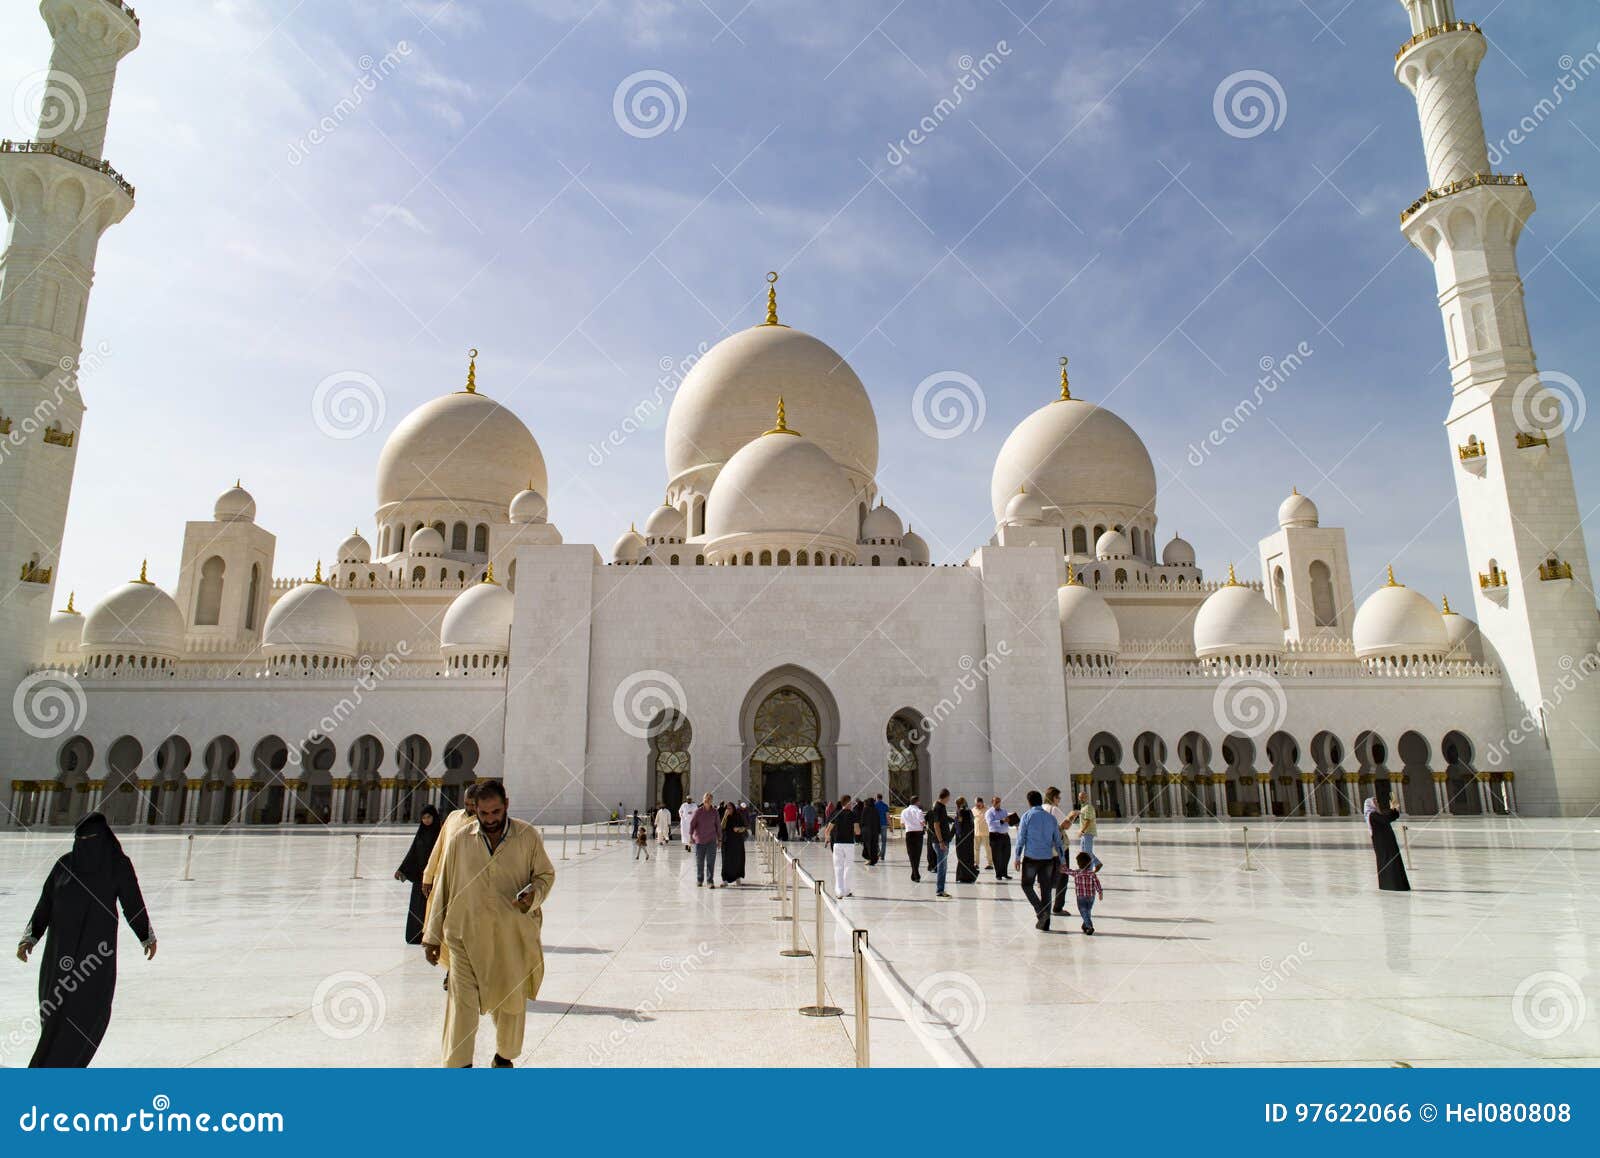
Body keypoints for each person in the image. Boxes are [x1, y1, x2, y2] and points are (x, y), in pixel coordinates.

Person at [423, 780, 555, 1068]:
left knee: (510, 1006)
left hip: (511, 937)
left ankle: (503, 1057)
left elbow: (545, 876)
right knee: (463, 1007)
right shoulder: (460, 839)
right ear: (476, 811)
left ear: (506, 804)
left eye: (496, 812)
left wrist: (533, 896)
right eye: (484, 814)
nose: (491, 819)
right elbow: (443, 886)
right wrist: (432, 934)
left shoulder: (527, 836)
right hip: (464, 937)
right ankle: (459, 1065)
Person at [17, 813, 155, 1068]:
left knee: (84, 1014)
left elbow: (132, 902)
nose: (85, 843)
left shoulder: (117, 865)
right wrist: (31, 936)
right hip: (60, 957)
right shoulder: (64, 865)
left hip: (94, 960)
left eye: (90, 838)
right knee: (55, 1012)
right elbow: (45, 904)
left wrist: (144, 934)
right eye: (80, 838)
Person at [1013, 790, 1065, 931]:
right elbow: (1058, 841)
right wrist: (1062, 860)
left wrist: (1017, 857)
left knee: (1026, 885)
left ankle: (1041, 912)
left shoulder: (1027, 816)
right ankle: (1045, 921)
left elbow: (1021, 839)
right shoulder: (1050, 818)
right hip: (1047, 859)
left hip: (1031, 858)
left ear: (1029, 802)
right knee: (1046, 889)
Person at [395, 804, 443, 944]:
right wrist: (402, 869)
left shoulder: (440, 833)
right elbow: (413, 852)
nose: (426, 820)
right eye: (423, 818)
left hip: (434, 876)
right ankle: (416, 935)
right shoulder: (421, 833)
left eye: (428, 817)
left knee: (432, 906)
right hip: (420, 877)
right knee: (417, 906)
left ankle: (431, 936)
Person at [1366, 794, 1410, 891]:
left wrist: (1394, 809)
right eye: (1375, 802)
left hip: (1386, 843)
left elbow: (1387, 818)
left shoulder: (1376, 814)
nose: (1377, 803)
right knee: (1390, 862)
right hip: (1383, 844)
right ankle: (1391, 885)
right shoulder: (1372, 815)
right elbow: (1386, 819)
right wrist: (1393, 809)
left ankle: (1394, 884)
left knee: (1392, 862)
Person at [1043, 787, 1074, 915]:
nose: (1059, 800)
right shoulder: (1053, 809)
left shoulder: (1041, 808)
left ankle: (1045, 907)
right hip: (1059, 848)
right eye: (1058, 798)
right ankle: (1057, 907)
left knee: (1047, 877)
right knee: (1063, 876)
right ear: (1053, 797)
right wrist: (1072, 816)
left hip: (1045, 848)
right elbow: (1066, 825)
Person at [825, 794, 859, 898]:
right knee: (848, 867)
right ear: (847, 803)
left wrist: (828, 838)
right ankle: (846, 889)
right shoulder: (853, 815)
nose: (852, 804)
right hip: (849, 844)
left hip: (837, 844)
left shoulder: (836, 813)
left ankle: (839, 890)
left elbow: (827, 830)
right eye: (851, 802)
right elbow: (857, 831)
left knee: (838, 867)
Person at [1066, 851, 1103, 934]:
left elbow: (1068, 871)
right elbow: (1097, 883)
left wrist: (1063, 869)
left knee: (1083, 910)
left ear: (1078, 864)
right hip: (1091, 896)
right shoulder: (1092, 874)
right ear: (1090, 863)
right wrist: (1100, 892)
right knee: (1088, 910)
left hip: (1081, 896)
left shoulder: (1076, 873)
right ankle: (1085, 925)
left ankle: (1089, 926)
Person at [1067, 789, 1103, 871]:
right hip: (1085, 833)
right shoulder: (1083, 808)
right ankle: (1097, 863)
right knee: (1085, 851)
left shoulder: (1088, 807)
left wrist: (1082, 831)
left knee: (1087, 852)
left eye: (1083, 797)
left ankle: (1088, 870)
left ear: (1087, 798)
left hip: (1088, 832)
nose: (1081, 799)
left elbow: (1088, 821)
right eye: (1080, 797)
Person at [927, 789, 954, 898]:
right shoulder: (938, 807)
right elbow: (936, 825)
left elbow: (943, 821)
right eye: (949, 797)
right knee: (942, 866)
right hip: (940, 842)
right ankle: (940, 890)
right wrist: (941, 841)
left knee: (943, 866)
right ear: (946, 797)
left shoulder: (941, 807)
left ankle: (941, 889)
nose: (949, 799)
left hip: (943, 841)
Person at [690, 792, 720, 887]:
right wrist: (691, 836)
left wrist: (720, 839)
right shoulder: (698, 812)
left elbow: (718, 826)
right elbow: (692, 824)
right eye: (705, 799)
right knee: (700, 861)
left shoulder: (715, 812)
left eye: (709, 799)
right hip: (700, 840)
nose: (707, 801)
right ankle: (700, 880)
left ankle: (710, 881)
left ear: (711, 801)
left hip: (711, 840)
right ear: (703, 800)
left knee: (711, 861)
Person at [720, 802, 748, 885]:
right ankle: (725, 879)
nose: (728, 810)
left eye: (730, 808)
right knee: (726, 860)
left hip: (737, 842)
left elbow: (745, 827)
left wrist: (739, 829)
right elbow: (722, 827)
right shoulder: (724, 817)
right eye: (727, 808)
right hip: (727, 842)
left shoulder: (738, 816)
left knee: (737, 860)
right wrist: (725, 816)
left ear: (733, 808)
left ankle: (737, 877)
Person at [900, 796, 926, 882]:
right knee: (917, 854)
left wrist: (909, 825)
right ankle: (916, 874)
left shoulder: (904, 811)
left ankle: (914, 873)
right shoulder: (919, 811)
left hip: (909, 833)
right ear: (917, 802)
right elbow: (923, 823)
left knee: (911, 854)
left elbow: (902, 824)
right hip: (918, 834)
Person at [985, 797, 1012, 880]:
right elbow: (990, 823)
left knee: (1006, 854)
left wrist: (1011, 821)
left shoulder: (1004, 811)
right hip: (995, 836)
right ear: (992, 802)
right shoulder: (989, 812)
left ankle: (1005, 873)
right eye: (996, 802)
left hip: (1005, 835)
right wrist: (1002, 821)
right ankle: (998, 874)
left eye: (999, 802)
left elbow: (1007, 821)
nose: (998, 803)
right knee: (997, 856)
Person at [954, 796, 978, 883]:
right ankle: (969, 876)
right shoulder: (969, 812)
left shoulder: (960, 812)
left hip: (961, 839)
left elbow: (957, 826)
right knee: (968, 857)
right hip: (969, 839)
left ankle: (963, 877)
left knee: (962, 858)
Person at [858, 793, 881, 867]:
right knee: (874, 845)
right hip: (875, 831)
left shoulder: (865, 809)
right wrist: (879, 830)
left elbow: (862, 820)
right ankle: (873, 860)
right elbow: (878, 821)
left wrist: (861, 830)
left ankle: (869, 859)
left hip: (867, 831)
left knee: (868, 845)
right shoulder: (875, 810)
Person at [973, 795, 991, 871]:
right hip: (976, 833)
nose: (977, 806)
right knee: (976, 849)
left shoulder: (987, 810)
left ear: (982, 803)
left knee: (988, 849)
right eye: (976, 804)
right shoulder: (973, 810)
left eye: (979, 804)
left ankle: (990, 864)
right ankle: (976, 864)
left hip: (986, 833)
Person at [874, 794, 890, 862]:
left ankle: (878, 852)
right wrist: (890, 825)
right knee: (884, 841)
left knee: (876, 840)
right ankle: (882, 855)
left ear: (877, 798)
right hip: (884, 824)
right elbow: (887, 816)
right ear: (882, 798)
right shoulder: (885, 805)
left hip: (876, 825)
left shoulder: (874, 805)